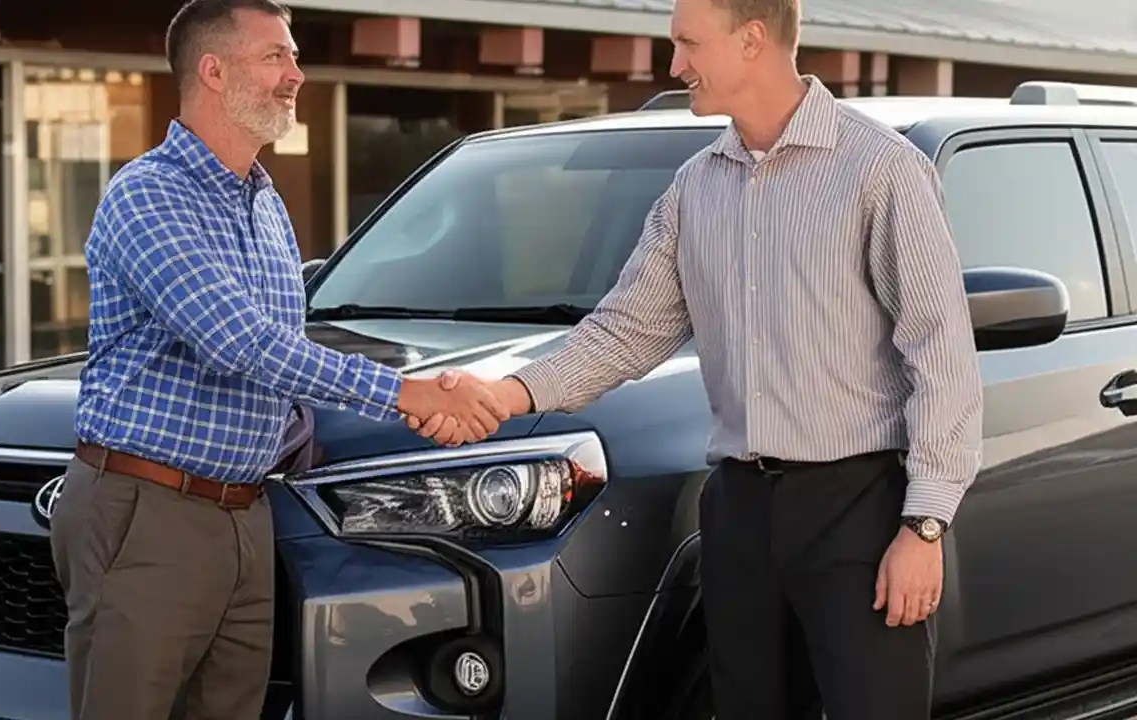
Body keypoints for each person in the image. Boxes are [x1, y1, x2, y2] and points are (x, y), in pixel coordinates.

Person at [415, 0, 982, 717]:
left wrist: (923, 526)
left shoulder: (881, 171)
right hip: (738, 509)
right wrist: (505, 394)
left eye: (687, 43)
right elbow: (624, 331)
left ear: (751, 41)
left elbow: (941, 356)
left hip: (858, 508)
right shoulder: (695, 186)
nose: (674, 64)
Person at [47, 1, 505, 718]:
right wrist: (408, 396)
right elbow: (242, 344)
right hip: (149, 514)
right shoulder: (148, 195)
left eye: (292, 57)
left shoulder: (264, 202)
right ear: (213, 69)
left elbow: (286, 358)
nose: (297, 74)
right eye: (276, 57)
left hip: (248, 515)